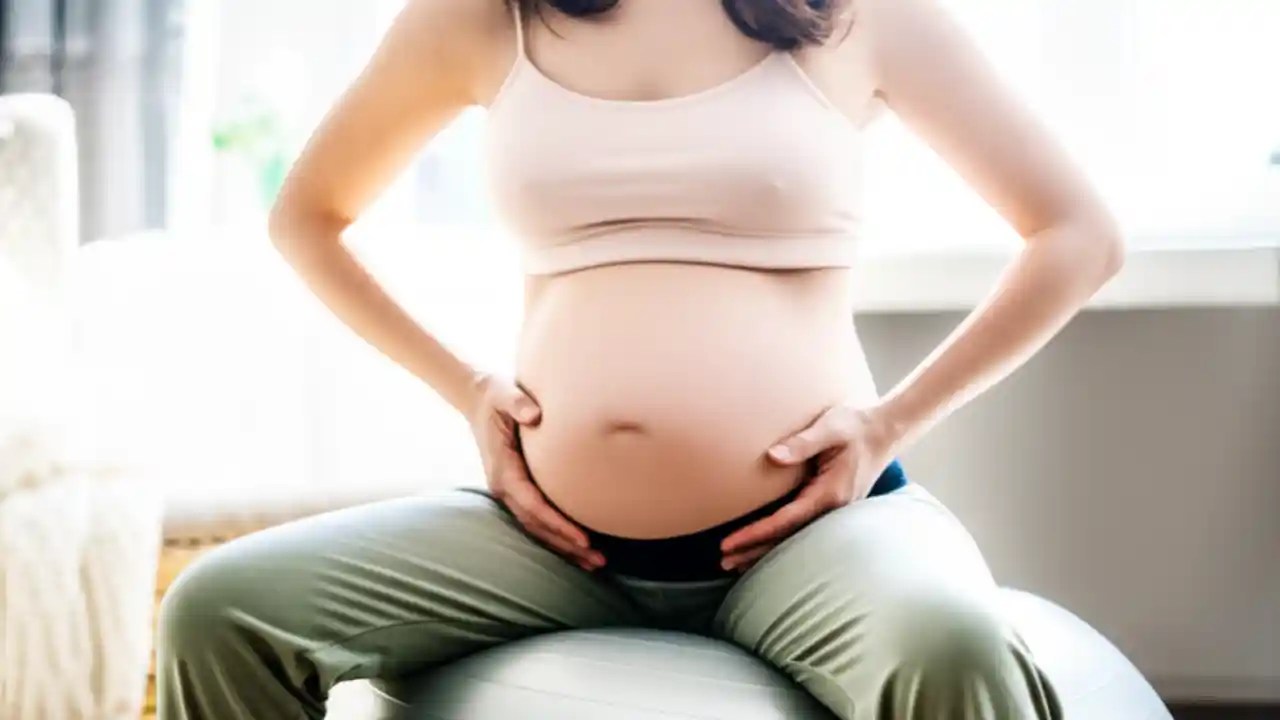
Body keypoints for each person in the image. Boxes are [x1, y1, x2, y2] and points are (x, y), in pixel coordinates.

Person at [156, 0, 1124, 717]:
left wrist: (888, 422)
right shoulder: (486, 18)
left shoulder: (849, 16)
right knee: (219, 611)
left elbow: (1075, 233)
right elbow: (308, 218)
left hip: (809, 535)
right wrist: (466, 390)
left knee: (947, 644)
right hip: (549, 541)